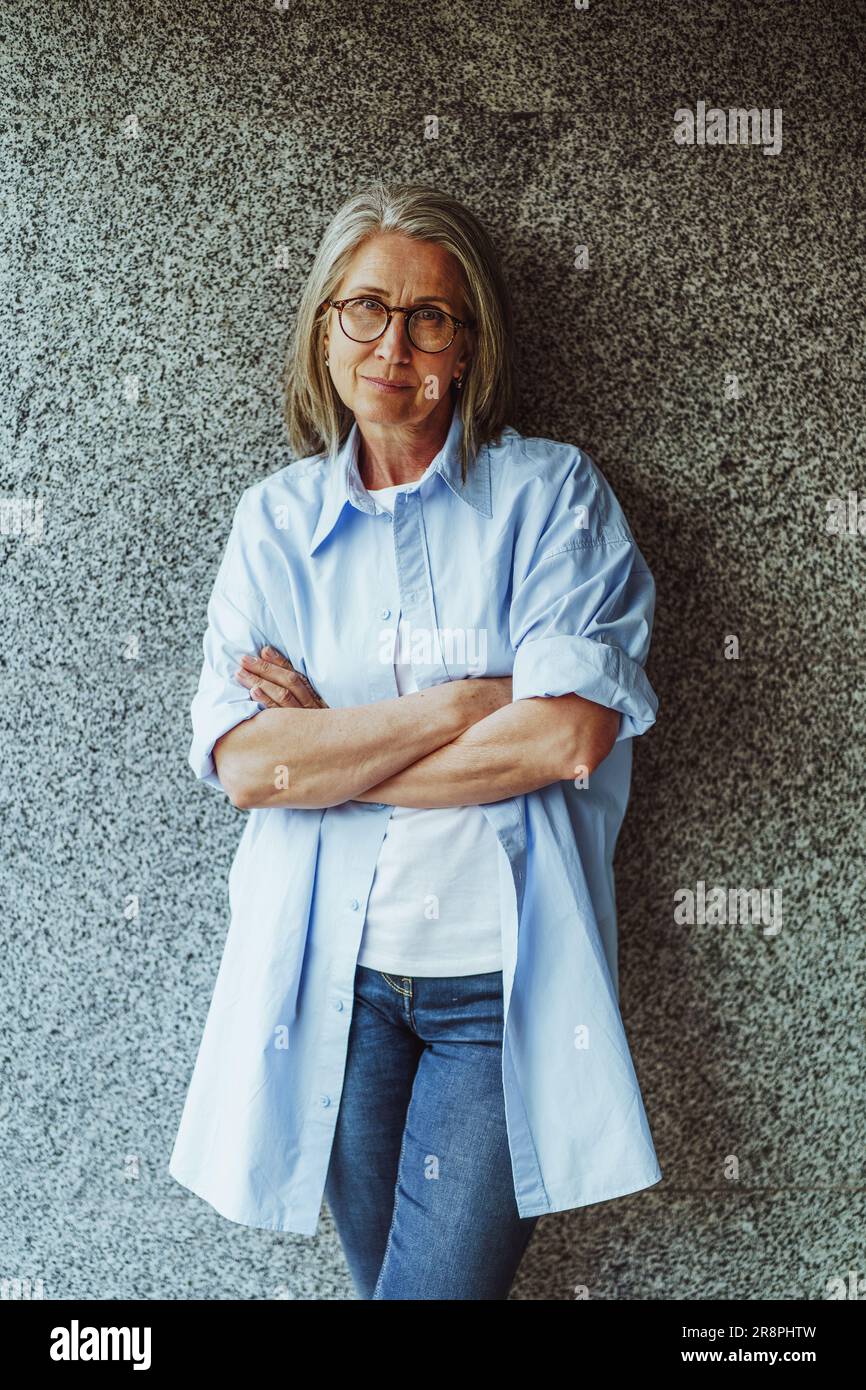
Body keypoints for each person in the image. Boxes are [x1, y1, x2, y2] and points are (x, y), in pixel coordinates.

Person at [168, 179, 663, 1301]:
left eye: (429, 315)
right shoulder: (274, 525)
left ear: (470, 339)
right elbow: (248, 766)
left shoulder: (550, 498)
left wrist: (331, 753)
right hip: (328, 989)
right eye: (365, 308)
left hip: (493, 993)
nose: (393, 343)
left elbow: (564, 736)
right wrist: (459, 703)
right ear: (322, 327)